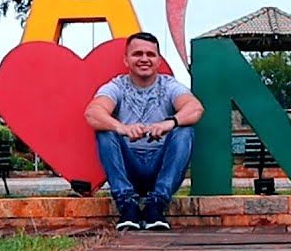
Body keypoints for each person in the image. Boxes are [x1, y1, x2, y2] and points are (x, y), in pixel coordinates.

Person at [84, 32, 204, 231]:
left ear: (158, 60)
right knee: (105, 131)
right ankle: (127, 206)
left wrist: (170, 122)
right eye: (137, 54)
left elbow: (195, 108)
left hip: (160, 167)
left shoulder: (169, 85)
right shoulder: (116, 86)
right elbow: (92, 113)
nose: (144, 59)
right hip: (129, 166)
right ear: (126, 60)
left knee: (185, 131)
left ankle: (156, 206)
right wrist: (121, 128)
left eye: (150, 54)